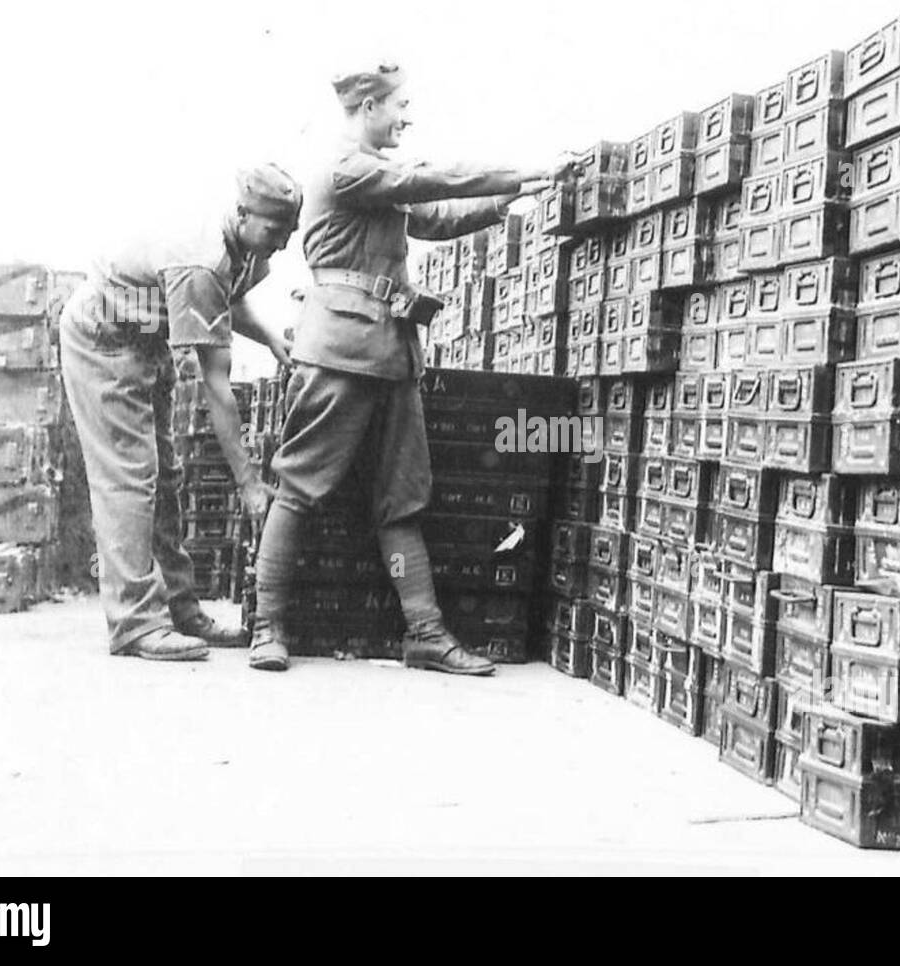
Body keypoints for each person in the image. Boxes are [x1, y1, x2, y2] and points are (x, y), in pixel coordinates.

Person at [248, 63, 575, 673]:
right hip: (341, 349)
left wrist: (519, 194)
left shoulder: (378, 184)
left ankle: (425, 632)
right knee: (298, 488)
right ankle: (268, 627)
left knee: (401, 500)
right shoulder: (347, 167)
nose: (406, 117)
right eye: (400, 105)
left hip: (391, 353)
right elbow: (429, 181)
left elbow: (438, 218)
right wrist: (524, 168)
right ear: (368, 106)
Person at [60, 164, 302, 661]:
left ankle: (178, 609)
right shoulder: (202, 258)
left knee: (165, 477)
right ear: (241, 213)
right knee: (130, 479)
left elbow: (225, 301)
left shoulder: (240, 246)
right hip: (104, 339)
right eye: (274, 229)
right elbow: (217, 383)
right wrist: (248, 483)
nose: (281, 241)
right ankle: (134, 623)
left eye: (288, 231)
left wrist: (273, 336)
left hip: (145, 342)